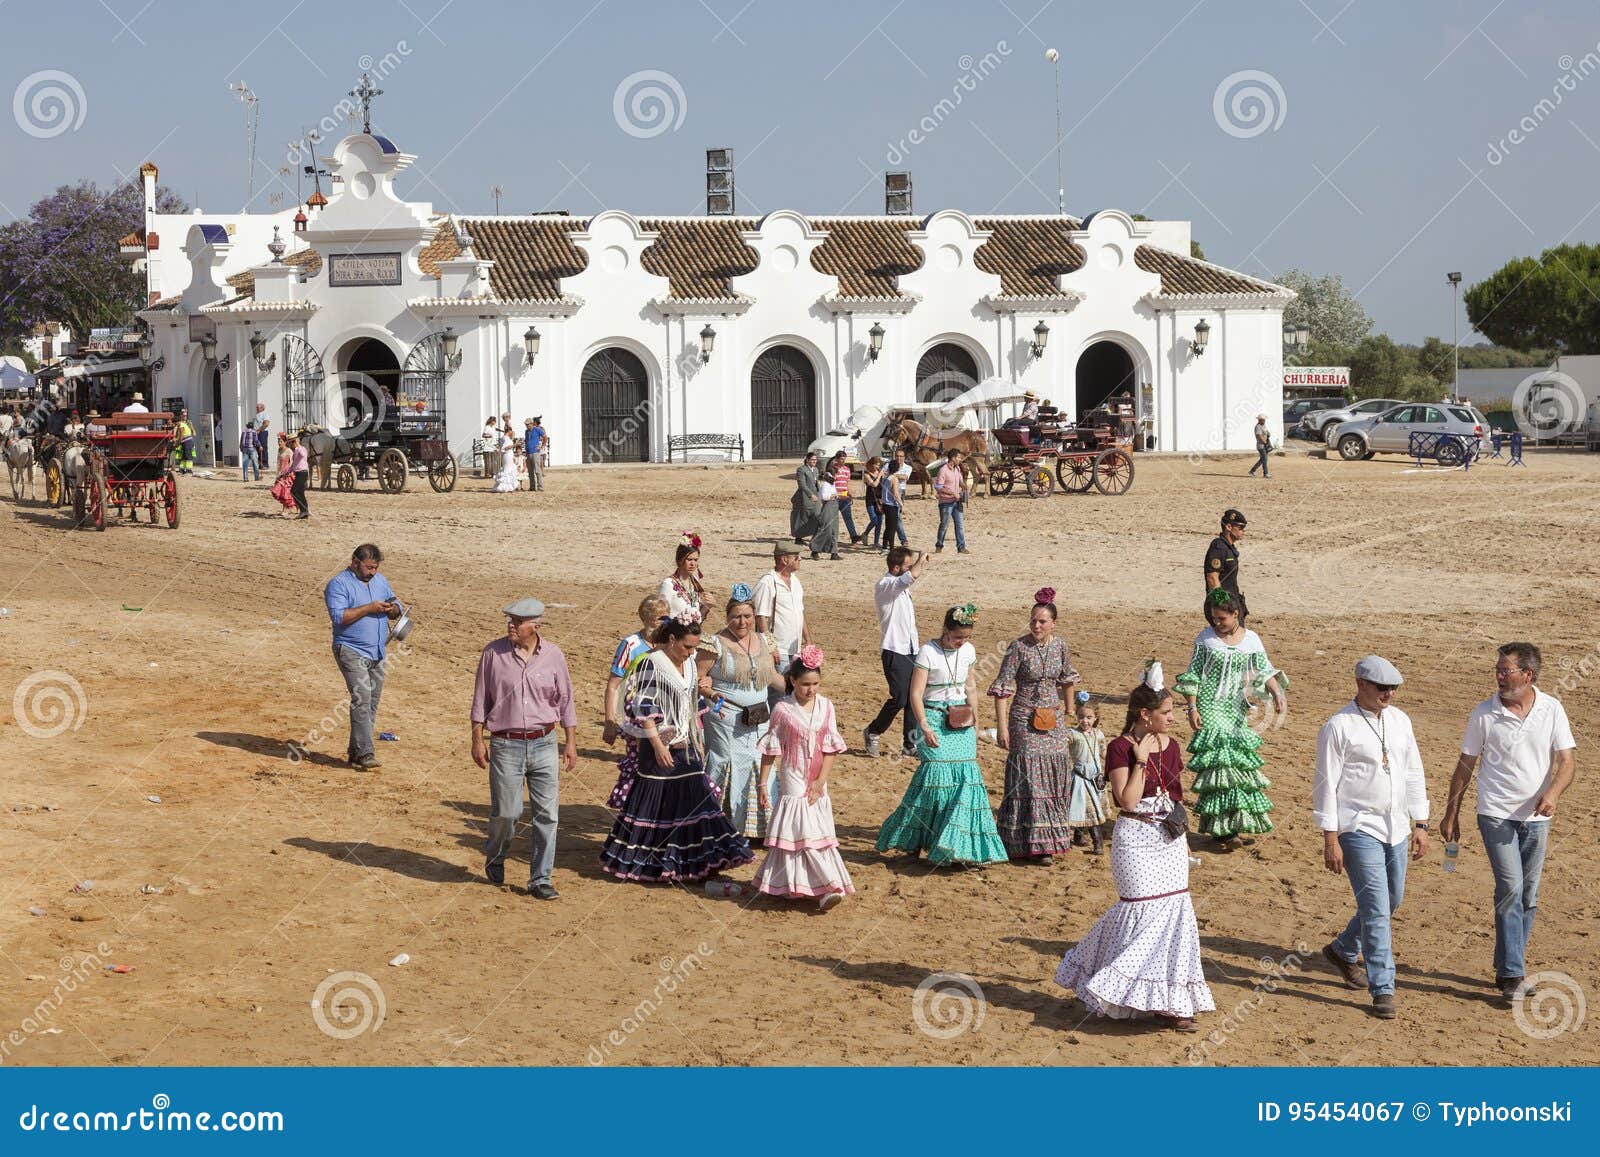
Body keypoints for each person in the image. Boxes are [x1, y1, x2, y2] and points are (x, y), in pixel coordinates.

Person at [1053, 676, 1214, 1032]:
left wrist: (1182, 837)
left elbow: (1175, 796)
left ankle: (1172, 1004)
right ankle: (1120, 990)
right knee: (1140, 909)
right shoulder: (1120, 747)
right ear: (1145, 714)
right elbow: (1126, 800)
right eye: (1167, 712)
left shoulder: (1172, 745)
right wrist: (1140, 761)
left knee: (1175, 913)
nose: (1173, 718)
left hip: (1168, 839)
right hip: (1135, 838)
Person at [1440, 643, 1576, 1005]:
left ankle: (1505, 967)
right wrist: (1451, 812)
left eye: (1506, 670)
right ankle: (1514, 974)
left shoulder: (1552, 709)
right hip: (1495, 814)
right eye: (1498, 670)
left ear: (1527, 675)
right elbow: (1466, 765)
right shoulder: (1484, 713)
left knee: (1528, 896)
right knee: (1512, 888)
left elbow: (1567, 762)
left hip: (1536, 819)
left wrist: (1553, 794)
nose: (1498, 676)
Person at [1314, 655, 1429, 1020]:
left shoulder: (1400, 720)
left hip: (1395, 826)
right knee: (1377, 910)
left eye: (1393, 688)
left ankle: (1343, 950)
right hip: (1358, 826)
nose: (1389, 694)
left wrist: (1421, 822)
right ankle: (1384, 988)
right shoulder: (1338, 726)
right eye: (1382, 688)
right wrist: (1330, 837)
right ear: (1361, 683)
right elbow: (1325, 785)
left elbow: (1413, 771)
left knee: (1391, 900)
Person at [600, 613, 754, 882]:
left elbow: (688, 697)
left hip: (688, 743)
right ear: (672, 639)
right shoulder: (651, 663)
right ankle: (658, 863)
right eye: (687, 646)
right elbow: (642, 706)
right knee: (657, 800)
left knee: (695, 800)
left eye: (694, 647)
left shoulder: (691, 664)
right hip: (658, 746)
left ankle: (690, 864)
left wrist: (711, 694)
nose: (691, 652)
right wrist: (658, 745)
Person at [876, 603, 1007, 867]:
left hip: (961, 721)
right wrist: (923, 724)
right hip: (933, 718)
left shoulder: (968, 650)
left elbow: (970, 685)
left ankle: (960, 847)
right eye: (958, 636)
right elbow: (915, 694)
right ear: (945, 630)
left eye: (967, 637)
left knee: (965, 777)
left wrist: (975, 716)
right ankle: (913, 839)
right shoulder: (927, 652)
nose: (962, 642)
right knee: (934, 776)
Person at [471, 597, 578, 899]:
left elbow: (566, 701)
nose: (512, 625)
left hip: (545, 742)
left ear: (536, 626)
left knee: (548, 815)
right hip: (505, 744)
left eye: (518, 622)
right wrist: (477, 740)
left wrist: (570, 742)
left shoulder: (554, 656)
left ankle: (540, 879)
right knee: (507, 813)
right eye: (510, 620)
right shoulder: (493, 653)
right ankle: (495, 856)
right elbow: (480, 700)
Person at [1174, 588, 1287, 849]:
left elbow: (1264, 670)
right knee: (1219, 763)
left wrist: (1278, 695)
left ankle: (1234, 824)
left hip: (1235, 707)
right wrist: (1192, 708)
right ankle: (1222, 832)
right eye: (1214, 618)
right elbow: (1192, 675)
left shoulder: (1252, 640)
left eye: (1221, 619)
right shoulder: (1205, 639)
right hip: (1210, 705)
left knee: (1237, 765)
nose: (1217, 623)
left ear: (1235, 614)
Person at [753, 644, 853, 909]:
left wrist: (821, 781)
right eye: (806, 684)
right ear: (793, 681)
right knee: (801, 828)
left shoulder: (826, 707)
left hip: (818, 775)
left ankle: (787, 883)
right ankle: (828, 885)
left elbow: (830, 748)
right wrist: (763, 784)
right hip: (792, 775)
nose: (811, 690)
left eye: (816, 684)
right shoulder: (782, 710)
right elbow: (770, 751)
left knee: (812, 829)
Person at [988, 586, 1081, 863]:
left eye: (1042, 621)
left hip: (1053, 719)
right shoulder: (1017, 647)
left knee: (1054, 772)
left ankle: (1048, 843)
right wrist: (1002, 727)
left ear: (1054, 623)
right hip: (1023, 718)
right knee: (1028, 773)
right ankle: (1021, 840)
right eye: (1033, 621)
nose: (1037, 626)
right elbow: (1003, 688)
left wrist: (1069, 709)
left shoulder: (1061, 646)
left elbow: (1067, 679)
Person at [698, 584, 786, 840]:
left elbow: (772, 679)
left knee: (759, 763)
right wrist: (710, 694)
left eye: (747, 616)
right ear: (727, 617)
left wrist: (798, 687)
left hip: (759, 718)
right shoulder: (713, 643)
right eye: (736, 616)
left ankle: (759, 830)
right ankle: (718, 825)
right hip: (725, 718)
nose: (742, 621)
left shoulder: (765, 640)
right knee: (725, 761)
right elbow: (699, 678)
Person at [324, 544, 402, 772]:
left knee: (371, 703)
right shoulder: (338, 584)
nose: (372, 572)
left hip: (377, 651)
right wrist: (369, 608)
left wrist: (393, 610)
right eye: (368, 567)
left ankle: (355, 752)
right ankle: (366, 753)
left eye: (375, 568)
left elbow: (396, 603)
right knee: (362, 699)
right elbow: (339, 617)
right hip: (350, 649)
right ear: (355, 562)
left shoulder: (380, 581)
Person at [603, 595, 670, 811]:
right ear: (648, 619)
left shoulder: (672, 642)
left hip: (668, 715)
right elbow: (614, 685)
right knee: (642, 764)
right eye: (662, 618)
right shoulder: (630, 645)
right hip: (638, 718)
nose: (666, 622)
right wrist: (610, 721)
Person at [863, 546, 926, 757]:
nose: (910, 570)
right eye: (907, 566)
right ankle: (873, 730)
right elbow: (911, 577)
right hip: (893, 649)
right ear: (897, 567)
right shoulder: (885, 584)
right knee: (899, 698)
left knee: (913, 697)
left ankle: (909, 744)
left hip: (910, 649)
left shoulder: (901, 589)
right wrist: (921, 558)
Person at [753, 542, 807, 668]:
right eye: (796, 556)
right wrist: (771, 647)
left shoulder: (795, 580)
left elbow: (800, 612)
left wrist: (808, 640)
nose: (800, 558)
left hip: (795, 649)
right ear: (784, 559)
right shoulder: (767, 582)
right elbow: (761, 617)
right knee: (780, 687)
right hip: (778, 650)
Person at [1068, 697, 1111, 854]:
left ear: (1096, 717)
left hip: (1096, 778)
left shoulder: (1099, 734)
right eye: (1081, 717)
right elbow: (1061, 746)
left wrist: (1114, 763)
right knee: (1090, 809)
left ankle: (1079, 837)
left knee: (1091, 808)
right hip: (1081, 778)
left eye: (1089, 717)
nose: (1084, 721)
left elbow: (1103, 751)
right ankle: (1097, 843)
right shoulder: (1072, 734)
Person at [658, 533, 706, 621]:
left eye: (695, 560)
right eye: (689, 559)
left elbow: (697, 620)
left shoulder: (695, 581)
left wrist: (707, 607)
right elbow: (661, 617)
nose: (693, 564)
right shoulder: (668, 584)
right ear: (680, 560)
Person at [932, 447, 969, 554]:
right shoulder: (943, 470)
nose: (960, 459)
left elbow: (960, 481)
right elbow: (938, 487)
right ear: (952, 458)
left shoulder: (957, 469)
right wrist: (953, 493)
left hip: (957, 502)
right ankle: (939, 546)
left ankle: (961, 547)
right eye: (958, 457)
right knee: (944, 525)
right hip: (946, 502)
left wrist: (964, 486)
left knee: (960, 525)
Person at [1204, 509, 1247, 599]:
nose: (1243, 531)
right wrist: (1222, 602)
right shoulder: (1218, 547)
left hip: (1231, 600)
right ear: (1228, 527)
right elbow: (1212, 578)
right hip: (1221, 605)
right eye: (1240, 528)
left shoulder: (1229, 548)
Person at [827, 450, 861, 547]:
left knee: (848, 518)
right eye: (841, 459)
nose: (843, 461)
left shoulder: (847, 469)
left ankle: (853, 536)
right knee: (832, 518)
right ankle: (830, 538)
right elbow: (830, 484)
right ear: (837, 459)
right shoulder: (832, 469)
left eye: (844, 459)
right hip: (835, 497)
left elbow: (847, 484)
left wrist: (849, 494)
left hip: (844, 497)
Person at [810, 463, 842, 560]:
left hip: (834, 506)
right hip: (828, 507)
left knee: (834, 530)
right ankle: (814, 550)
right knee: (825, 529)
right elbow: (824, 497)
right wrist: (835, 495)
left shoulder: (832, 484)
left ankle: (834, 552)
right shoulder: (825, 484)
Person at [790, 450, 822, 544]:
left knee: (816, 515)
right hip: (804, 497)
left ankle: (815, 536)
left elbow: (817, 484)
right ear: (807, 460)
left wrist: (820, 494)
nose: (814, 461)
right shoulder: (801, 469)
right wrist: (810, 494)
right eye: (812, 460)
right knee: (801, 518)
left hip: (815, 496)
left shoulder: (816, 470)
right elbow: (802, 485)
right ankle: (798, 537)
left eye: (815, 460)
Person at [878, 450, 907, 552]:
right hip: (891, 506)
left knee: (888, 527)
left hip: (886, 505)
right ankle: (889, 548)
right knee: (892, 528)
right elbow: (895, 494)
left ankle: (886, 547)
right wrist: (902, 505)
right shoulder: (894, 478)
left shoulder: (886, 478)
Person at [890, 448, 913, 543]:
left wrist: (893, 475)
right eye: (897, 456)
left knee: (897, 516)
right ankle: (902, 539)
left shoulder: (908, 467)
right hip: (889, 491)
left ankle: (903, 539)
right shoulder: (889, 465)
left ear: (904, 457)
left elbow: (905, 477)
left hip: (900, 491)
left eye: (901, 456)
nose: (899, 458)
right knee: (894, 516)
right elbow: (883, 474)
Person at [861, 456, 885, 549]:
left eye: (879, 464)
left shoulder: (880, 473)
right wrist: (879, 475)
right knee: (874, 520)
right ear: (871, 464)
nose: (878, 466)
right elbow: (874, 484)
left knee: (879, 522)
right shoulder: (866, 474)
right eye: (876, 464)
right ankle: (865, 534)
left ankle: (876, 542)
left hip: (879, 500)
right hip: (870, 500)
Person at [269, 433, 297, 513]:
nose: (279, 443)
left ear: (285, 442)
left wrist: (289, 472)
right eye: (278, 441)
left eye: (281, 441)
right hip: (281, 474)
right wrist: (277, 475)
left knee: (285, 492)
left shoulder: (289, 451)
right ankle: (291, 507)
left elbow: (292, 462)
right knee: (279, 491)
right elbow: (278, 464)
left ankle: (285, 510)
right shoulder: (279, 450)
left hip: (287, 474)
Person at [490, 423, 520, 492]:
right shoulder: (506, 438)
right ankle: (504, 487)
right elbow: (506, 448)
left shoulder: (504, 437)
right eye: (511, 431)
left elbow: (501, 447)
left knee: (508, 469)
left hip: (507, 455)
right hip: (507, 455)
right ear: (509, 431)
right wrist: (515, 445)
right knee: (507, 470)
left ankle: (508, 486)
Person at [287, 432, 310, 519]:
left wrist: (297, 445)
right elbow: (294, 465)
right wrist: (288, 472)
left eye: (291, 443)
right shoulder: (295, 451)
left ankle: (304, 510)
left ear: (294, 442)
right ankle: (304, 511)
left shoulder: (301, 449)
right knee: (300, 492)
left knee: (294, 491)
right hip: (298, 473)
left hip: (302, 473)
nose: (290, 445)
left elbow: (304, 455)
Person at [524, 416, 547, 491]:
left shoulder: (537, 429)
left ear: (531, 424)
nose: (527, 426)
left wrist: (542, 445)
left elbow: (545, 436)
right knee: (530, 471)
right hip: (528, 453)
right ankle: (532, 487)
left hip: (535, 453)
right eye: (526, 425)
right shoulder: (526, 431)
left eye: (528, 424)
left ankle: (540, 487)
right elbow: (527, 441)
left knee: (537, 471)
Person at [173, 409, 196, 474]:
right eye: (183, 415)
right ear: (180, 416)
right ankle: (182, 468)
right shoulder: (181, 424)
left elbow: (182, 435)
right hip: (185, 442)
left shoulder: (183, 424)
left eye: (185, 415)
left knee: (188, 456)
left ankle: (188, 469)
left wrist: (177, 443)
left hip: (187, 441)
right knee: (183, 456)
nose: (185, 417)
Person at [1249, 413, 1271, 479]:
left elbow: (1267, 433)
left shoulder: (1263, 426)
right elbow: (1259, 436)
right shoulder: (1258, 427)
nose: (1264, 421)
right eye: (1262, 420)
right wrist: (1265, 443)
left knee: (1263, 459)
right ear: (1259, 420)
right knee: (1264, 459)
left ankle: (1252, 470)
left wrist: (1268, 434)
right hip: (1261, 445)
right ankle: (1266, 473)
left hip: (1264, 444)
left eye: (1264, 419)